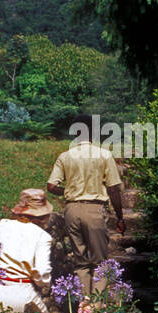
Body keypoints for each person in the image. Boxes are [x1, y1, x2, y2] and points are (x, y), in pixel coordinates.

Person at [46, 114, 126, 296]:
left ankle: (83, 307)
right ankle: (97, 306)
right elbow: (114, 189)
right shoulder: (104, 155)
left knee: (80, 262)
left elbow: (51, 186)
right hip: (94, 209)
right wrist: (120, 218)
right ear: (94, 134)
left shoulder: (65, 156)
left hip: (71, 210)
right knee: (100, 262)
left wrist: (67, 193)